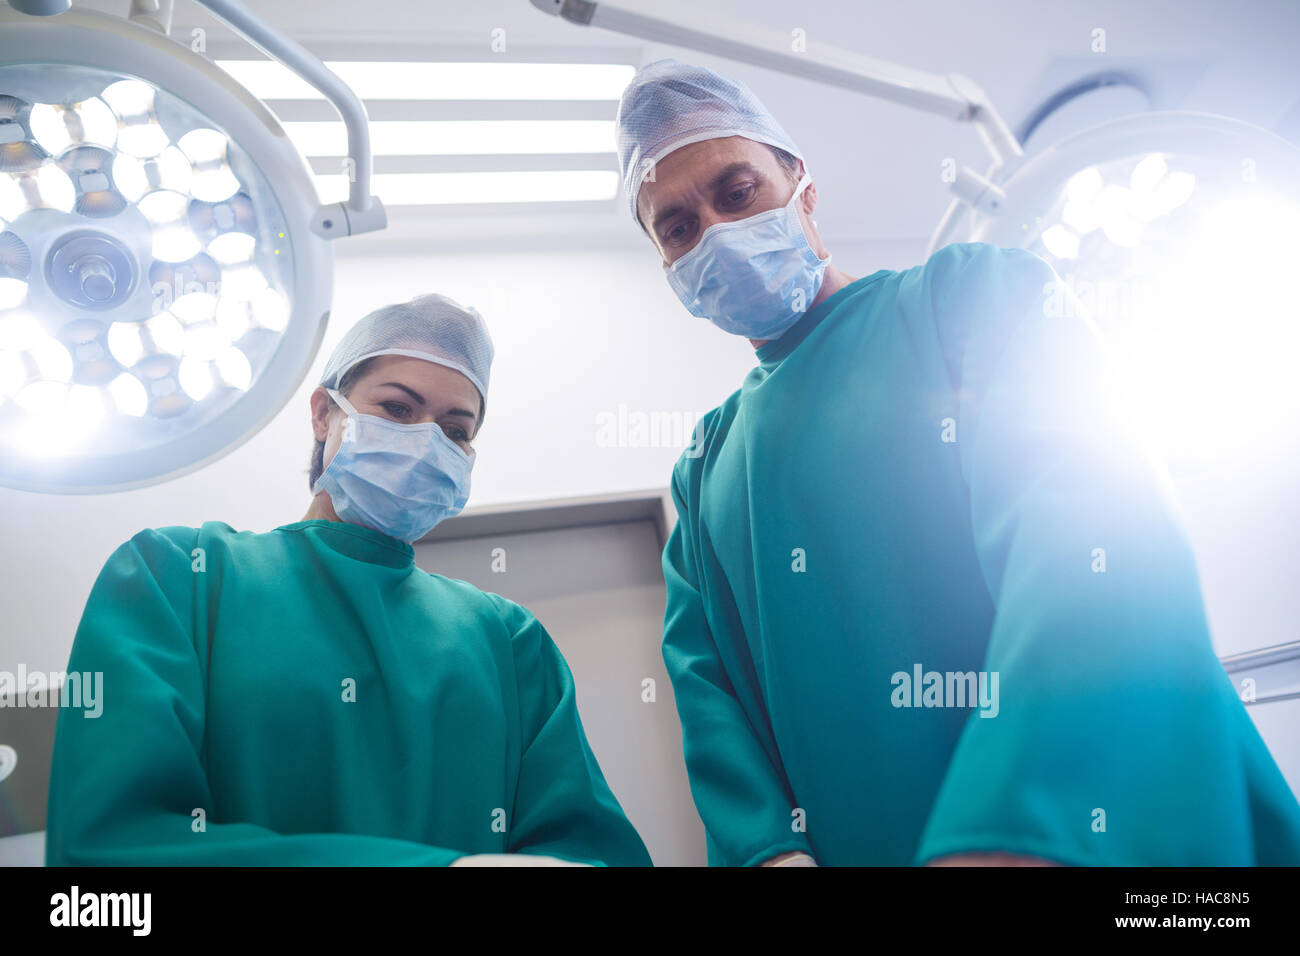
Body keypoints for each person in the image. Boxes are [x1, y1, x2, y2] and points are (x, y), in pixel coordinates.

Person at [617, 58, 1300, 866]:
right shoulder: (705, 470)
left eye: (737, 192)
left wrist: (1022, 820)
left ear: (801, 182)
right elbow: (709, 694)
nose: (717, 234)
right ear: (666, 265)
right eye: (679, 227)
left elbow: (1092, 530)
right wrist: (769, 851)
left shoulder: (970, 297)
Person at [46, 293, 651, 867]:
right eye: (396, 408)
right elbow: (112, 844)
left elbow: (588, 846)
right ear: (322, 411)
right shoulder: (179, 576)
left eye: (455, 430)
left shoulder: (508, 639)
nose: (424, 442)